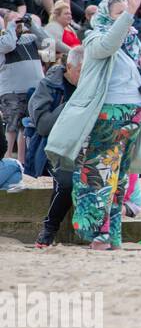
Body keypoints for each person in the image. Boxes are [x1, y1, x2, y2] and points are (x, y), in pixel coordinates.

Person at [44, 0, 141, 250]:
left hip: (134, 114)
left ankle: (112, 236)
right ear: (107, 16)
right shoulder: (95, 37)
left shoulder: (133, 44)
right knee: (99, 176)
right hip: (109, 114)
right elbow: (107, 45)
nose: (127, 16)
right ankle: (100, 235)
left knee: (118, 180)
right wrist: (129, 14)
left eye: (128, 12)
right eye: (120, 13)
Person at [30, 46, 83, 248]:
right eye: (81, 71)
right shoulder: (49, 86)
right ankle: (49, 229)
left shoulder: (91, 85)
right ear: (69, 67)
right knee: (67, 182)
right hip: (53, 147)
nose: (86, 76)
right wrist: (71, 104)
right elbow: (43, 126)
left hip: (84, 147)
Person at [0, 9, 51, 162]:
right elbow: (8, 46)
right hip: (11, 90)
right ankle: (7, 159)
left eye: (20, 19)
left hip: (33, 90)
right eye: (14, 19)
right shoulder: (3, 40)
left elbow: (49, 45)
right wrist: (10, 28)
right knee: (12, 125)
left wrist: (32, 25)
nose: (19, 22)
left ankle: (22, 161)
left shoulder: (30, 38)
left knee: (26, 127)